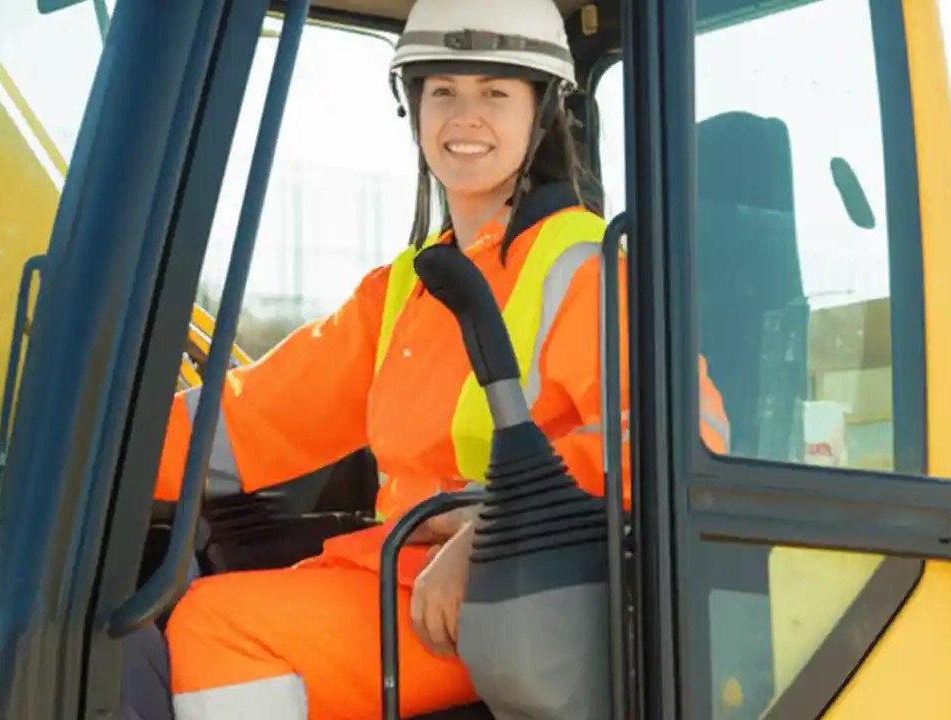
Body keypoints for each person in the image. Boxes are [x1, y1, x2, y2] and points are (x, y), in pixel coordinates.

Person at [129, 0, 732, 717]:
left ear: (541, 113)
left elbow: (682, 439)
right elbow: (253, 418)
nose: (464, 116)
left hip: (530, 594)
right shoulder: (411, 288)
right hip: (408, 577)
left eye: (495, 93)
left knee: (223, 627)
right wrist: (102, 461)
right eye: (441, 89)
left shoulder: (585, 269)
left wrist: (488, 533)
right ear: (412, 108)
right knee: (142, 633)